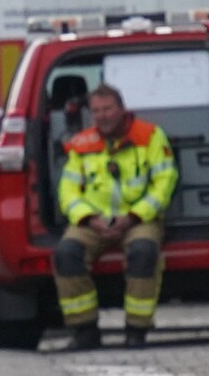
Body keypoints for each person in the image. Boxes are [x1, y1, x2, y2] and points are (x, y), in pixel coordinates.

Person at [53, 83, 178, 350]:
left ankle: (136, 331)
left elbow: (164, 183)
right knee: (66, 254)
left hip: (139, 219)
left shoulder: (150, 136)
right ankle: (84, 332)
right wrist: (89, 219)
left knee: (144, 252)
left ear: (122, 109)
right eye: (96, 111)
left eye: (108, 109)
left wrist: (133, 217)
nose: (102, 116)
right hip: (93, 222)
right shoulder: (81, 144)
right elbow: (68, 191)